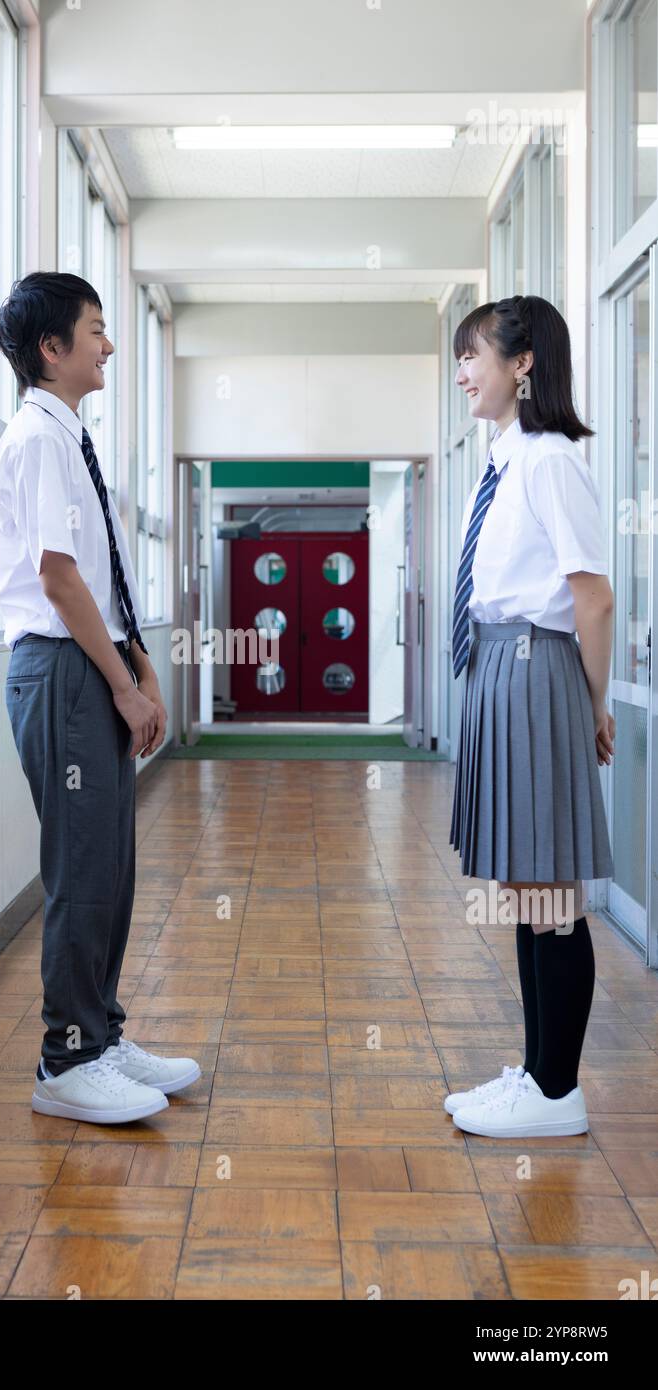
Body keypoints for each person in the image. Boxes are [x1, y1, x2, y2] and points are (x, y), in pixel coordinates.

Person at [0, 271, 200, 1125]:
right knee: (81, 866)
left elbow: (100, 576)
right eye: (97, 330)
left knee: (108, 863)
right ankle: (65, 1058)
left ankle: (101, 1034)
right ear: (52, 347)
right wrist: (120, 681)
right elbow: (59, 576)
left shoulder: (68, 439)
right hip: (63, 668)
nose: (108, 345)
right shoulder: (37, 440)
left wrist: (142, 671)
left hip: (89, 663)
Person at [444, 293, 615, 1139]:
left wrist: (590, 704)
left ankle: (558, 1092)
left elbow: (594, 595)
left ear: (523, 364)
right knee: (527, 887)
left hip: (534, 667)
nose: (463, 372)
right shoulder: (507, 459)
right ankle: (539, 1074)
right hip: (499, 669)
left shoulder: (549, 460)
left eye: (473, 355)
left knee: (551, 892)